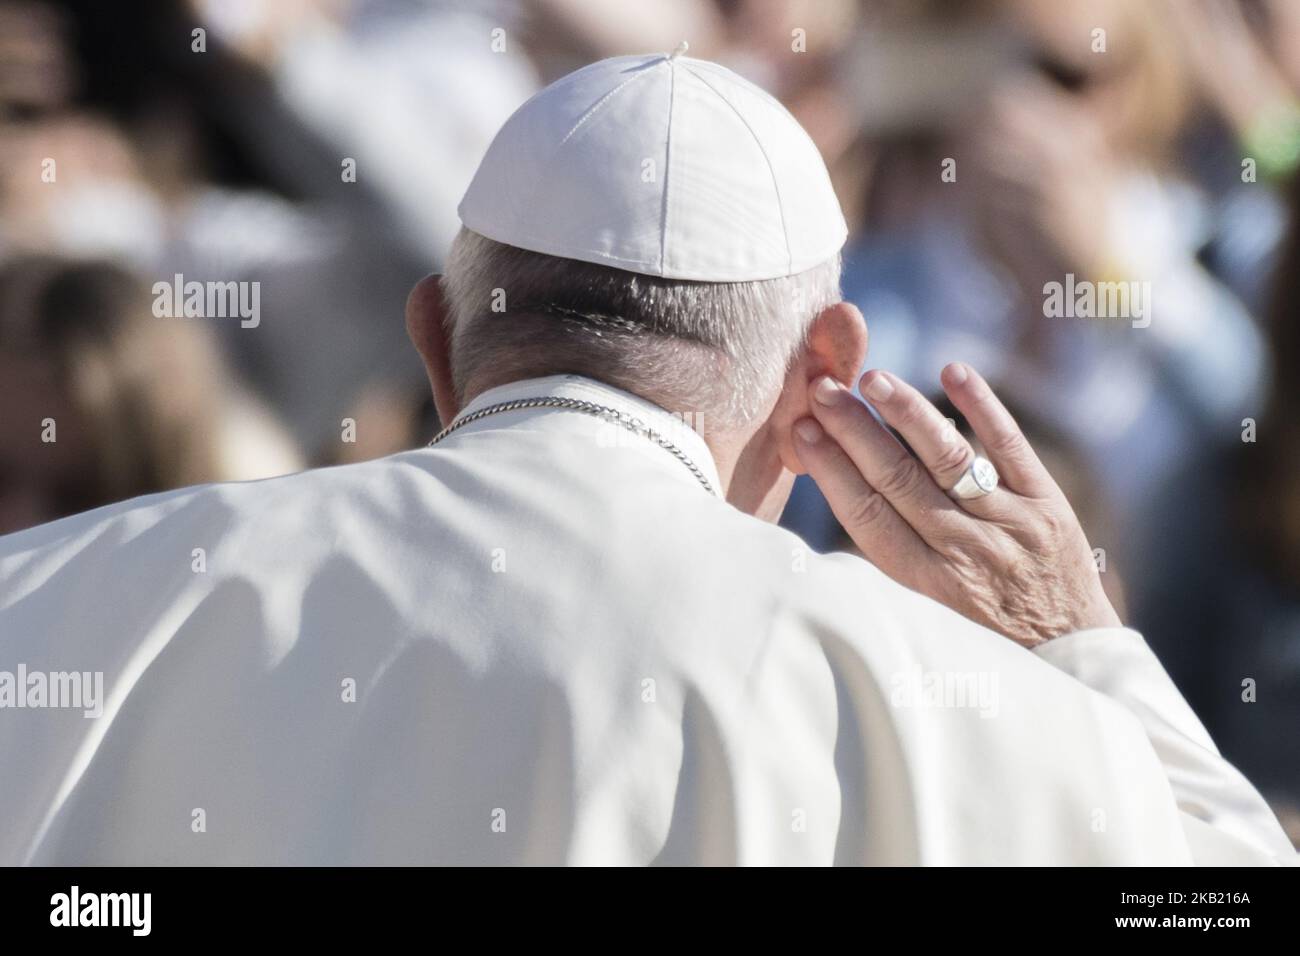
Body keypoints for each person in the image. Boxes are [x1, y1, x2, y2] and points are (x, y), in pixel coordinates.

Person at [0, 52, 1292, 865]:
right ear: (820, 373)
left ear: (436, 342)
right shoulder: (937, 705)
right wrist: (1076, 640)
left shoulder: (55, 599)